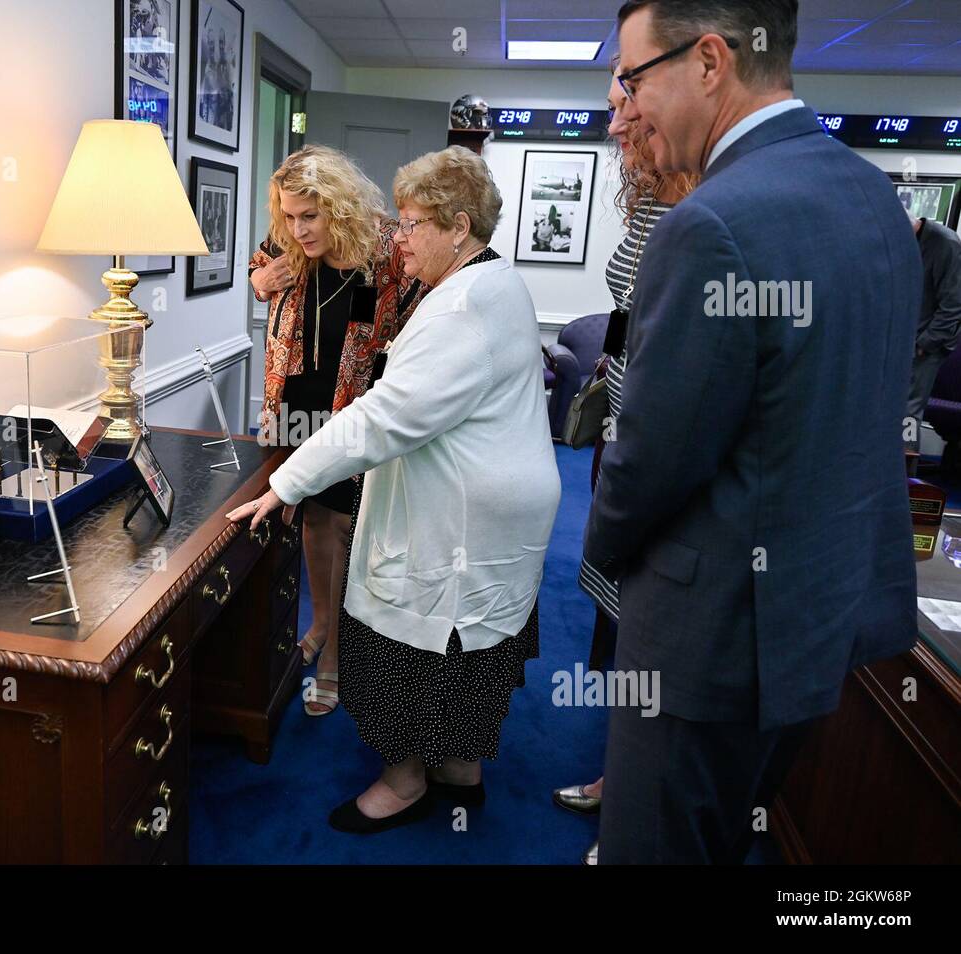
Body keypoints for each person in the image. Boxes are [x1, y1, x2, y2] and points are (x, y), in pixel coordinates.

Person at [586, 0, 922, 864]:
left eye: (630, 78)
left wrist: (601, 544)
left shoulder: (710, 224)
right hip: (822, 620)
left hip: (709, 645)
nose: (623, 104)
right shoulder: (872, 196)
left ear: (708, 61)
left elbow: (650, 464)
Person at [229, 146, 560, 833]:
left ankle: (405, 781)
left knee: (411, 650)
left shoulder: (460, 308)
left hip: (461, 520)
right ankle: (459, 775)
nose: (399, 236)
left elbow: (379, 417)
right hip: (496, 508)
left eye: (410, 224)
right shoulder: (493, 283)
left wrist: (285, 483)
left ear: (458, 227)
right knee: (470, 655)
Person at [552, 67, 699, 866]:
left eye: (624, 107)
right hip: (622, 431)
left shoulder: (703, 210)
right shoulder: (652, 200)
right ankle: (621, 775)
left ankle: (638, 812)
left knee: (651, 633)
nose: (613, 128)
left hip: (658, 454)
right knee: (617, 625)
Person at [248, 145, 425, 716]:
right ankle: (321, 624)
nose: (297, 230)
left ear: (340, 208)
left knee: (351, 526)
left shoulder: (388, 249)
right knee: (311, 516)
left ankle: (338, 654)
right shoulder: (287, 242)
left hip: (357, 410)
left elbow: (429, 312)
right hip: (295, 401)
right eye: (289, 215)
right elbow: (257, 272)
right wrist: (260, 279)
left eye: (310, 216)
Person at [905, 212, 961, 451]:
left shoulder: (944, 243)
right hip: (903, 341)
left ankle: (908, 480)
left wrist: (924, 344)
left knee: (907, 414)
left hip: (925, 348)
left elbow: (954, 304)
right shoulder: (909, 243)